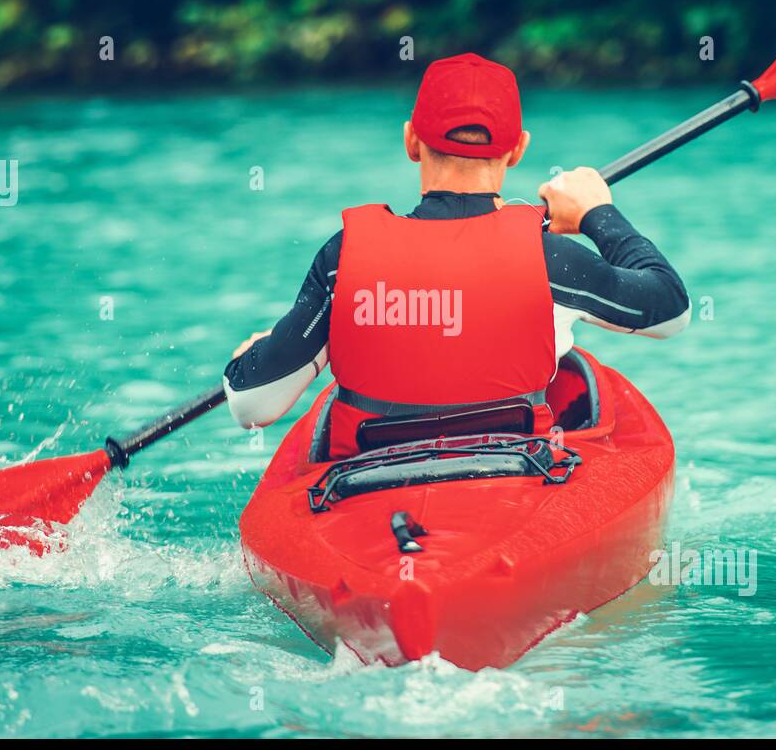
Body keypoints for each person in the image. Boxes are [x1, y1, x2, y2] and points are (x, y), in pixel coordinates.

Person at [224, 52, 690, 459]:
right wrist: (597, 214)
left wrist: (261, 351)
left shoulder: (344, 259)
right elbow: (671, 310)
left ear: (411, 141)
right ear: (516, 151)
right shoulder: (548, 260)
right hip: (513, 479)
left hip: (367, 487)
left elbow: (254, 406)